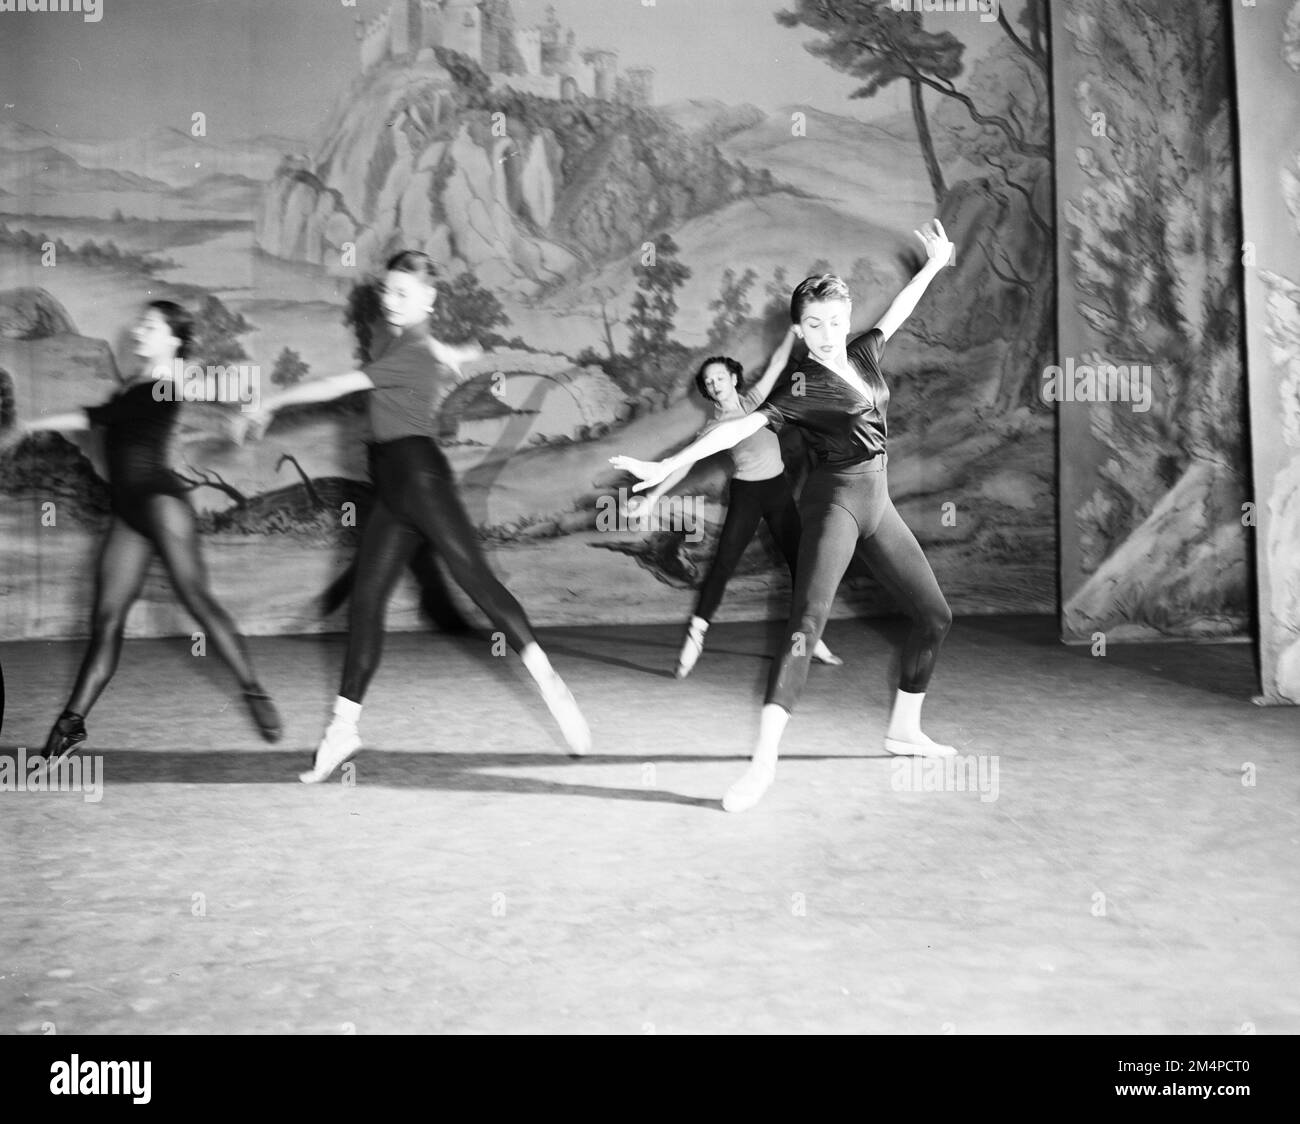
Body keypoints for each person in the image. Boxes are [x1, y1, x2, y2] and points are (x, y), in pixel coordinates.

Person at [611, 220, 957, 813]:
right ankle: (762, 767)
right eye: (815, 324)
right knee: (806, 627)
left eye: (836, 321)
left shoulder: (864, 353)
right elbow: (739, 426)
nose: (827, 334)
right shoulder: (804, 383)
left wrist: (933, 265)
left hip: (878, 500)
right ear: (799, 328)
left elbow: (898, 312)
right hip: (835, 505)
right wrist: (666, 462)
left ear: (847, 319)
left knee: (933, 615)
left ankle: (903, 728)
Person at [241, 250, 590, 782]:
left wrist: (272, 402)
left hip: (420, 477)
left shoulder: (412, 350)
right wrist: (452, 351)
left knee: (473, 577)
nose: (390, 300)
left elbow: (340, 387)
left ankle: (549, 683)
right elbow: (421, 348)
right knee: (365, 604)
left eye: (403, 293)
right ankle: (343, 730)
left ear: (429, 300)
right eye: (387, 291)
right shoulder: (398, 338)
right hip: (390, 490)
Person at [0, 300, 282, 764]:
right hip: (128, 513)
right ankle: (72, 725)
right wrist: (29, 426)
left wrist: (239, 415)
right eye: (141, 323)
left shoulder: (169, 382)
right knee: (107, 619)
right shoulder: (137, 387)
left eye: (151, 326)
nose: (139, 330)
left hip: (162, 504)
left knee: (195, 599)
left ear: (173, 338)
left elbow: (206, 389)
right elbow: (89, 418)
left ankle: (253, 690)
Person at [629, 328, 841, 677]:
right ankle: (696, 634)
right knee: (723, 564)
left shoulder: (757, 399)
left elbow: (777, 362)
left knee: (802, 565)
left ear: (733, 378)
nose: (714, 384)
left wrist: (790, 331)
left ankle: (811, 637)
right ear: (707, 389)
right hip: (747, 495)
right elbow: (681, 467)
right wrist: (651, 498)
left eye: (719, 377)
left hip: (778, 492)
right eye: (708, 381)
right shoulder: (714, 428)